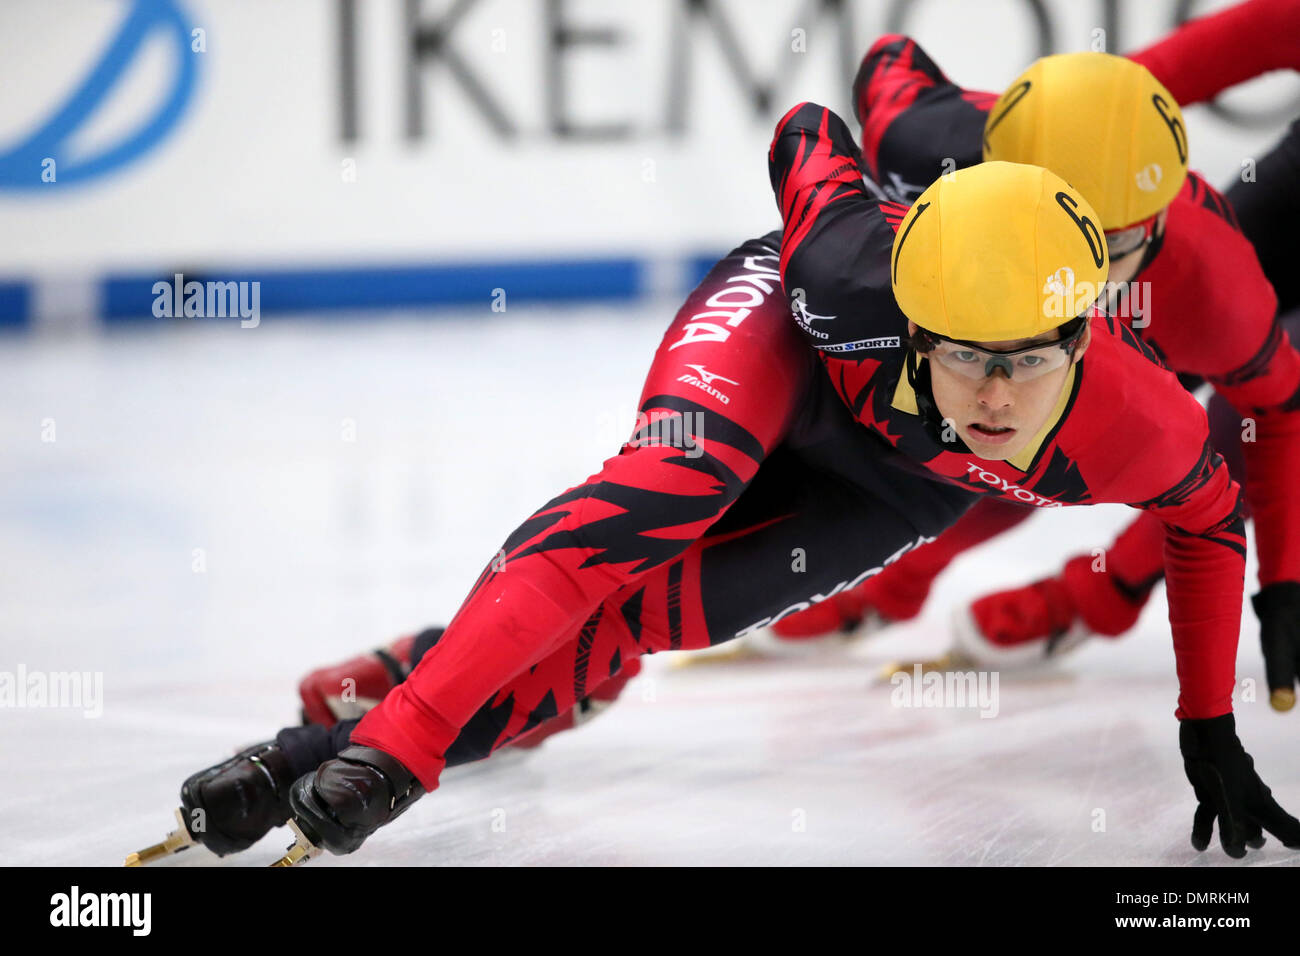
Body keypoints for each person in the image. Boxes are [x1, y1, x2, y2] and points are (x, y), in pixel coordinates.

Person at [132, 105, 1299, 865]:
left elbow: (1208, 520)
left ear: (1082, 342)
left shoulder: (1138, 423)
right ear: (915, 324)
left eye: (1026, 363)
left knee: (646, 619)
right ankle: (400, 734)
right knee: (663, 496)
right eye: (961, 356)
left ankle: (307, 746)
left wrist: (1207, 721)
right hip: (784, 345)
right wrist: (401, 754)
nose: (993, 397)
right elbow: (807, 125)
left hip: (893, 483)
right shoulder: (849, 268)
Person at [770, 17, 1300, 713]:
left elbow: (1271, 420)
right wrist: (1083, 134)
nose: (1095, 267)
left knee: (1212, 419)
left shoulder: (1212, 289)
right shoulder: (939, 143)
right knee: (1028, 405)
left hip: (1205, 283)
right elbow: (1154, 84)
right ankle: (903, 579)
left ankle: (1102, 592)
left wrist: (1279, 581)